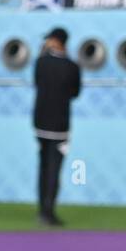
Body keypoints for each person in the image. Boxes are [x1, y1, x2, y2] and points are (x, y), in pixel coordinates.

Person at [33, 27, 81, 226]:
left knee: (44, 167)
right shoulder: (72, 66)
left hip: (41, 123)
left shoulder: (41, 62)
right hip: (60, 124)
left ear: (56, 40)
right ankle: (48, 211)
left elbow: (37, 83)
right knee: (54, 168)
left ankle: (42, 209)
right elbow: (75, 92)